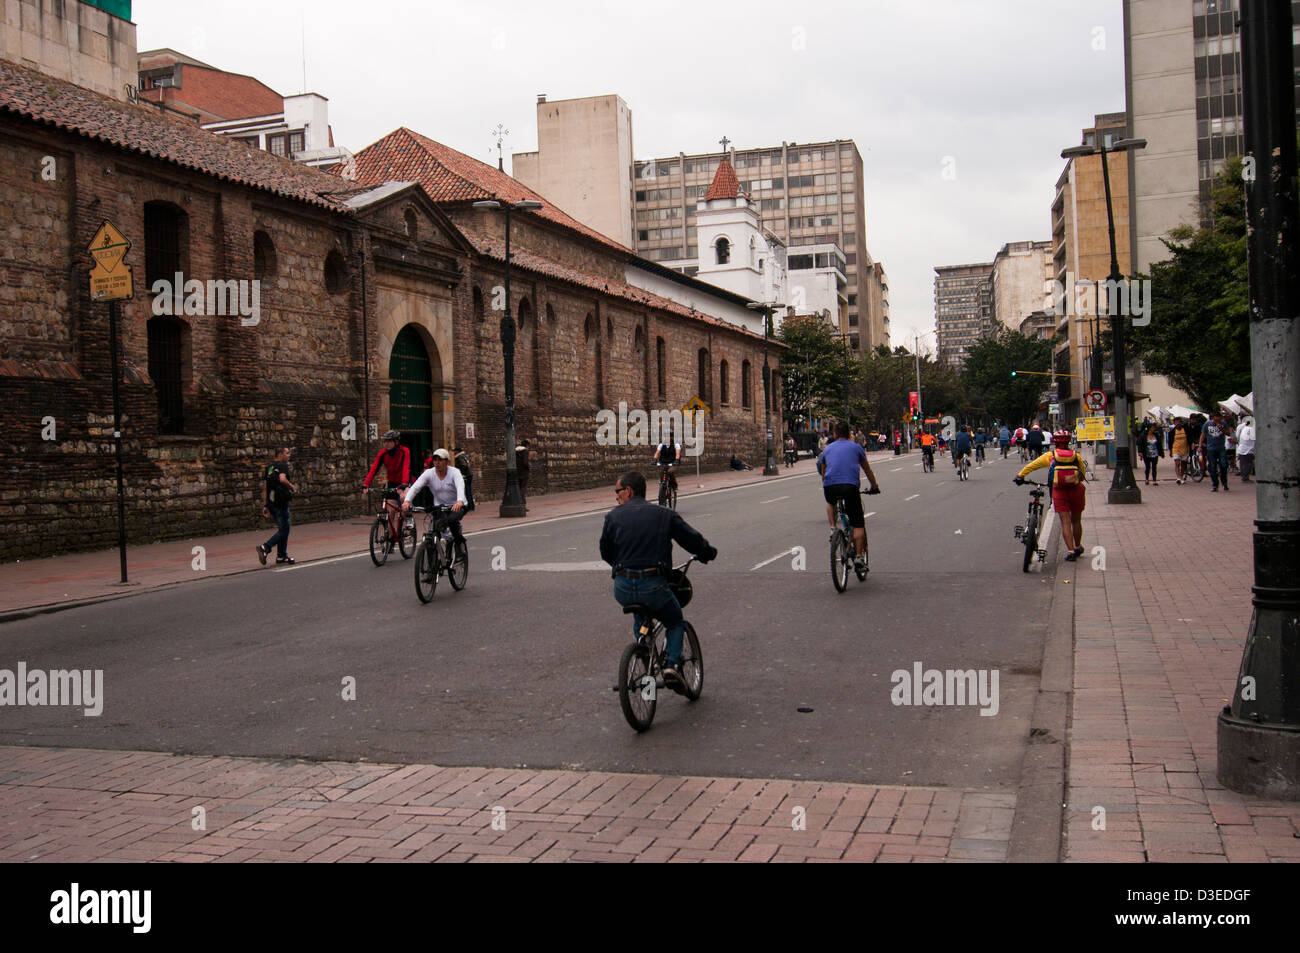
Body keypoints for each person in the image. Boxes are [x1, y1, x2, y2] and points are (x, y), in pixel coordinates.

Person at [600, 471, 717, 692]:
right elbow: (691, 539)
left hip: (623, 587)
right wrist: (707, 553)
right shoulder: (663, 515)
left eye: (617, 491)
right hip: (653, 585)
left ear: (629, 491)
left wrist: (625, 566)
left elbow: (606, 552)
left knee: (640, 616)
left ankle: (644, 654)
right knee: (674, 621)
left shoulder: (612, 517)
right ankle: (672, 664)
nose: (616, 497)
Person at [817, 421, 881, 574]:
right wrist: (874, 486)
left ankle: (833, 528)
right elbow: (867, 470)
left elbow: (823, 472)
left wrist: (827, 482)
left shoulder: (827, 449)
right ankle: (859, 557)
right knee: (858, 523)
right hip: (850, 487)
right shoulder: (856, 448)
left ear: (834, 435)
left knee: (830, 502)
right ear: (849, 434)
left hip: (830, 486)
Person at [1016, 429, 1089, 561]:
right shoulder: (1076, 456)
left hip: (1059, 491)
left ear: (1054, 441)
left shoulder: (1050, 456)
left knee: (1065, 521)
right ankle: (1078, 546)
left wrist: (1020, 476)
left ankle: (1070, 551)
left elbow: (1031, 466)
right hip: (1076, 490)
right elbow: (1082, 475)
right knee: (1076, 521)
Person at [402, 448, 467, 547]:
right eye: (435, 460)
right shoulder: (429, 473)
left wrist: (459, 501)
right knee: (435, 529)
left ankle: (459, 545)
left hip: (456, 505)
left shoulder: (454, 472)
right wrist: (407, 501)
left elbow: (460, 486)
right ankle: (433, 555)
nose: (437, 463)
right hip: (439, 506)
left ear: (447, 462)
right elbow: (416, 487)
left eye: (440, 460)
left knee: (451, 521)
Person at [362, 429, 411, 542]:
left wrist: (404, 485)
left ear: (396, 442)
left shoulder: (404, 451)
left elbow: (406, 467)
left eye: (389, 441)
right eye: (385, 441)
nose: (386, 444)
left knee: (404, 500)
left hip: (404, 482)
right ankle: (390, 538)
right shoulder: (383, 454)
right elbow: (374, 468)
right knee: (390, 512)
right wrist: (366, 484)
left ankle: (407, 520)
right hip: (392, 482)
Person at [256, 446, 296, 565]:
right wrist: (292, 486)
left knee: (283, 528)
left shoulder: (269, 468)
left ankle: (281, 556)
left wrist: (265, 505)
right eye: (287, 453)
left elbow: (265, 487)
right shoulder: (282, 465)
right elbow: (283, 479)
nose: (289, 455)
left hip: (272, 503)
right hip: (281, 502)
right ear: (280, 454)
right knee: (285, 530)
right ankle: (265, 548)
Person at [1199, 411, 1230, 492]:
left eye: (1219, 419)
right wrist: (1200, 446)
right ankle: (1215, 485)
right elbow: (1202, 435)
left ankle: (1224, 482)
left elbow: (1228, 433)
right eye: (1216, 420)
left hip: (1221, 448)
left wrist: (1221, 428)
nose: (1218, 421)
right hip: (1211, 449)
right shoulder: (1207, 424)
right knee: (1212, 467)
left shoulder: (1223, 423)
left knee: (1223, 465)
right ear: (1213, 418)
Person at [653, 428, 682, 502]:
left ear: (672, 437)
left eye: (669, 436)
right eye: (666, 436)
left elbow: (677, 454)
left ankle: (674, 485)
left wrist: (676, 460)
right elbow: (657, 453)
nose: (667, 438)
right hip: (664, 463)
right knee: (662, 474)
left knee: (670, 472)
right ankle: (662, 488)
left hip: (673, 464)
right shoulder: (661, 445)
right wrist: (654, 459)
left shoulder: (676, 445)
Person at [1138, 419, 1164, 485]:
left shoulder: (1156, 435)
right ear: (1149, 428)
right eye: (1153, 427)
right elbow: (1140, 444)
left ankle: (1154, 480)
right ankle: (1147, 479)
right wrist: (1140, 452)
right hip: (1146, 453)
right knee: (1147, 467)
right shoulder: (1143, 435)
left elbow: (1159, 445)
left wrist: (1161, 453)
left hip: (1155, 453)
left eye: (1154, 427)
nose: (1154, 429)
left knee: (1154, 467)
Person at [1168, 416, 1191, 484]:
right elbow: (1170, 442)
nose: (1177, 424)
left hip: (1184, 449)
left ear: (1181, 423)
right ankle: (1178, 477)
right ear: (1174, 424)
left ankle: (1181, 476)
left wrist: (1191, 444)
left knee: (1183, 464)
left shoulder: (1186, 430)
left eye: (1179, 422)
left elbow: (1189, 438)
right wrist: (1170, 451)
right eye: (1176, 422)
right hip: (1176, 449)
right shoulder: (1172, 432)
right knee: (1177, 463)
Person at [453, 446, 476, 511]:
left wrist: (461, 474)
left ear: (457, 451)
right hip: (469, 475)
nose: (454, 452)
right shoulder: (463, 456)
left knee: (467, 491)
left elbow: (464, 465)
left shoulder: (459, 457)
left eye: (455, 451)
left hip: (466, 475)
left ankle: (470, 506)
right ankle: (471, 506)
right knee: (468, 491)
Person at [1236, 417, 1255, 483]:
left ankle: (1244, 477)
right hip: (1248, 449)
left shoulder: (1242, 427)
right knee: (1248, 464)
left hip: (1242, 449)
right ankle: (1245, 478)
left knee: (1243, 463)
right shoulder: (1251, 429)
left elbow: (1237, 437)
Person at [515, 439, 531, 505]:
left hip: (517, 472)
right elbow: (525, 462)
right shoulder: (525, 451)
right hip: (524, 473)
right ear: (527, 445)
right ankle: (522, 504)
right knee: (523, 488)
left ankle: (518, 502)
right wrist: (528, 468)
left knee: (518, 488)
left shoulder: (515, 451)